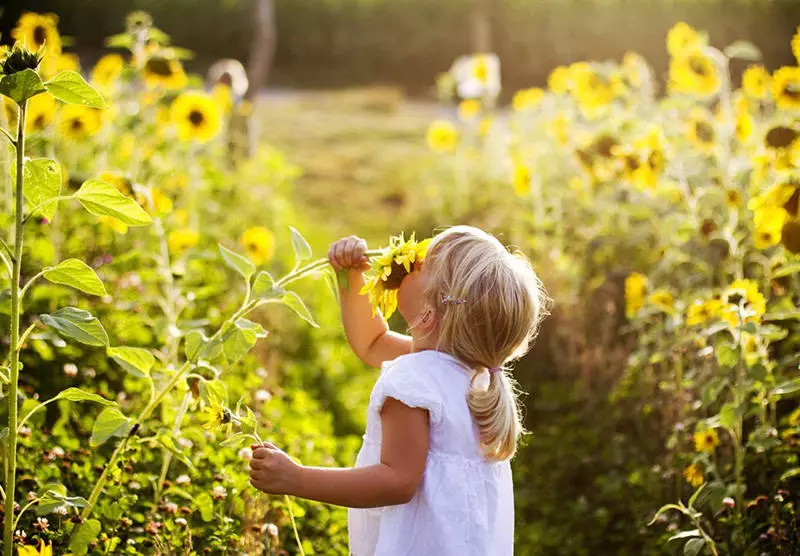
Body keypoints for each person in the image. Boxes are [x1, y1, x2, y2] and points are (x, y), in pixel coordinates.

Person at [248, 225, 550, 555]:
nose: (412, 261)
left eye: (425, 264)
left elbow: (397, 481)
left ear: (428, 314)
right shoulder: (473, 374)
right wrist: (351, 277)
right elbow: (372, 341)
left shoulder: (415, 380)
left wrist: (298, 479)